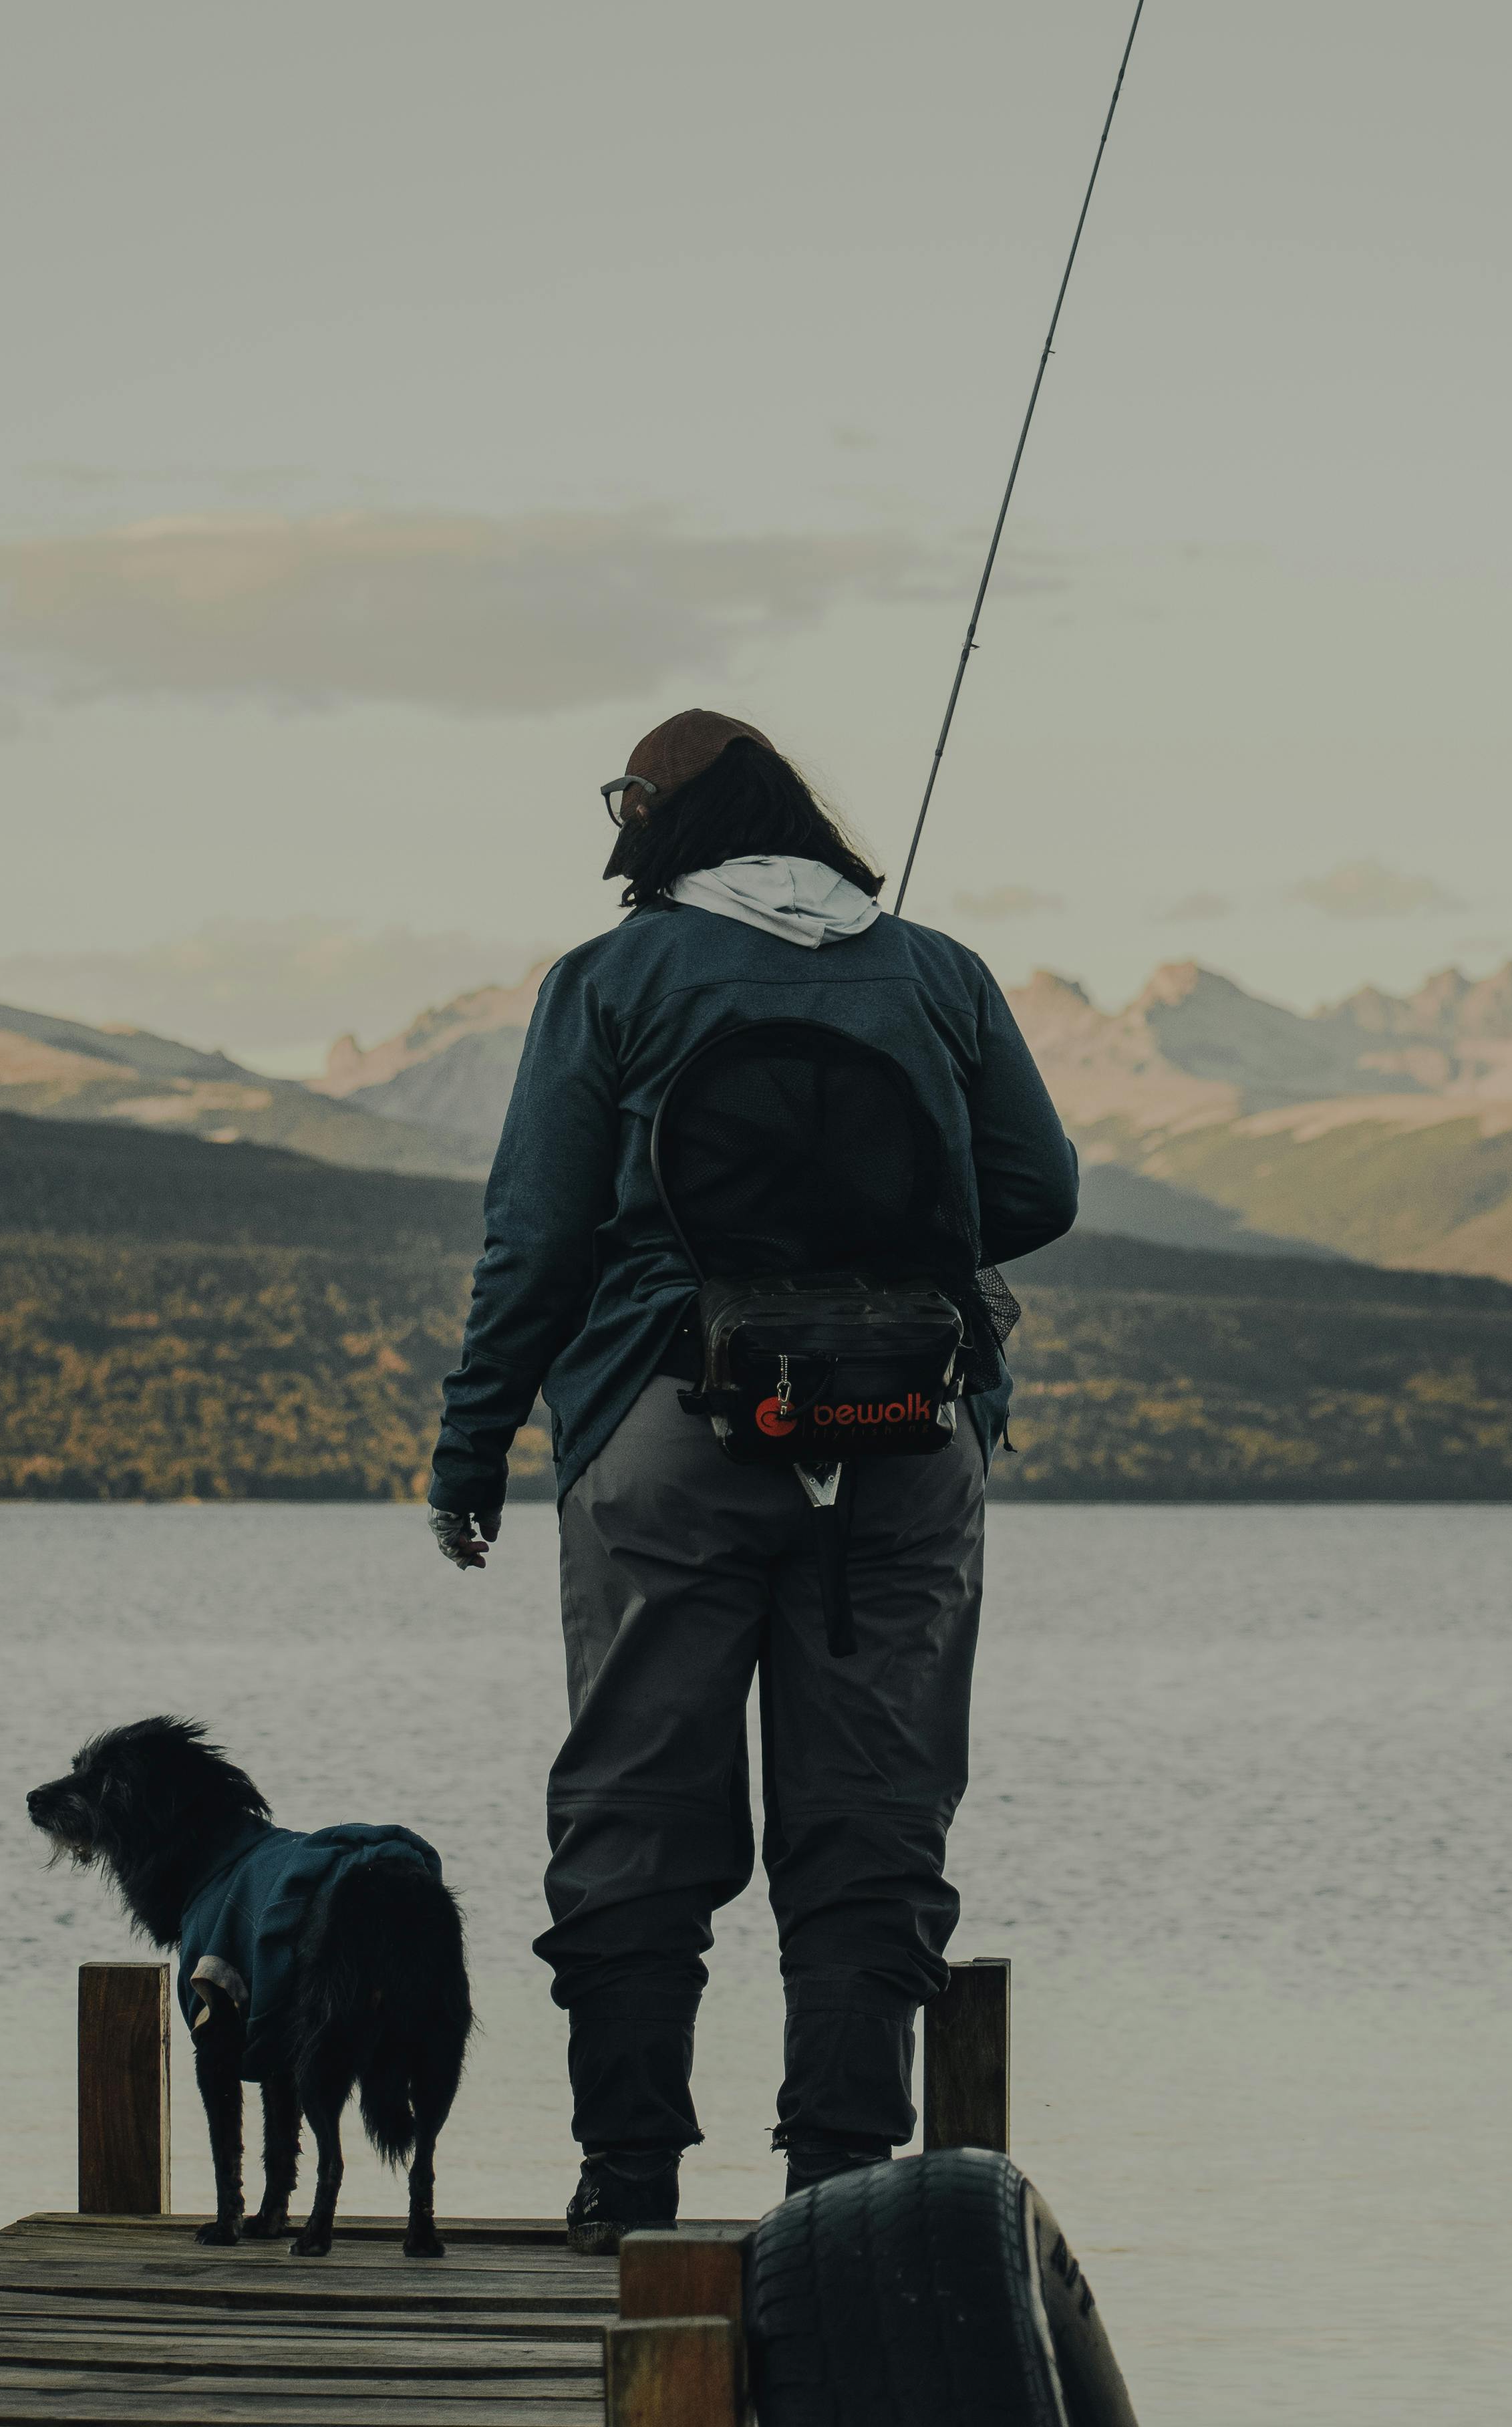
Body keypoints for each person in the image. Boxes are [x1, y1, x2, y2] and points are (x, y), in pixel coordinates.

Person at [426, 708, 1080, 2251]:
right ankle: (842, 2204)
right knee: (873, 1823)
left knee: (638, 1810)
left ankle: (629, 2194)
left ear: (657, 826)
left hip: (669, 1428)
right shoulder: (937, 970)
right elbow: (1041, 1192)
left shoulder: (612, 979)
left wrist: (475, 1445)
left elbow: (535, 1241)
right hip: (905, 1441)